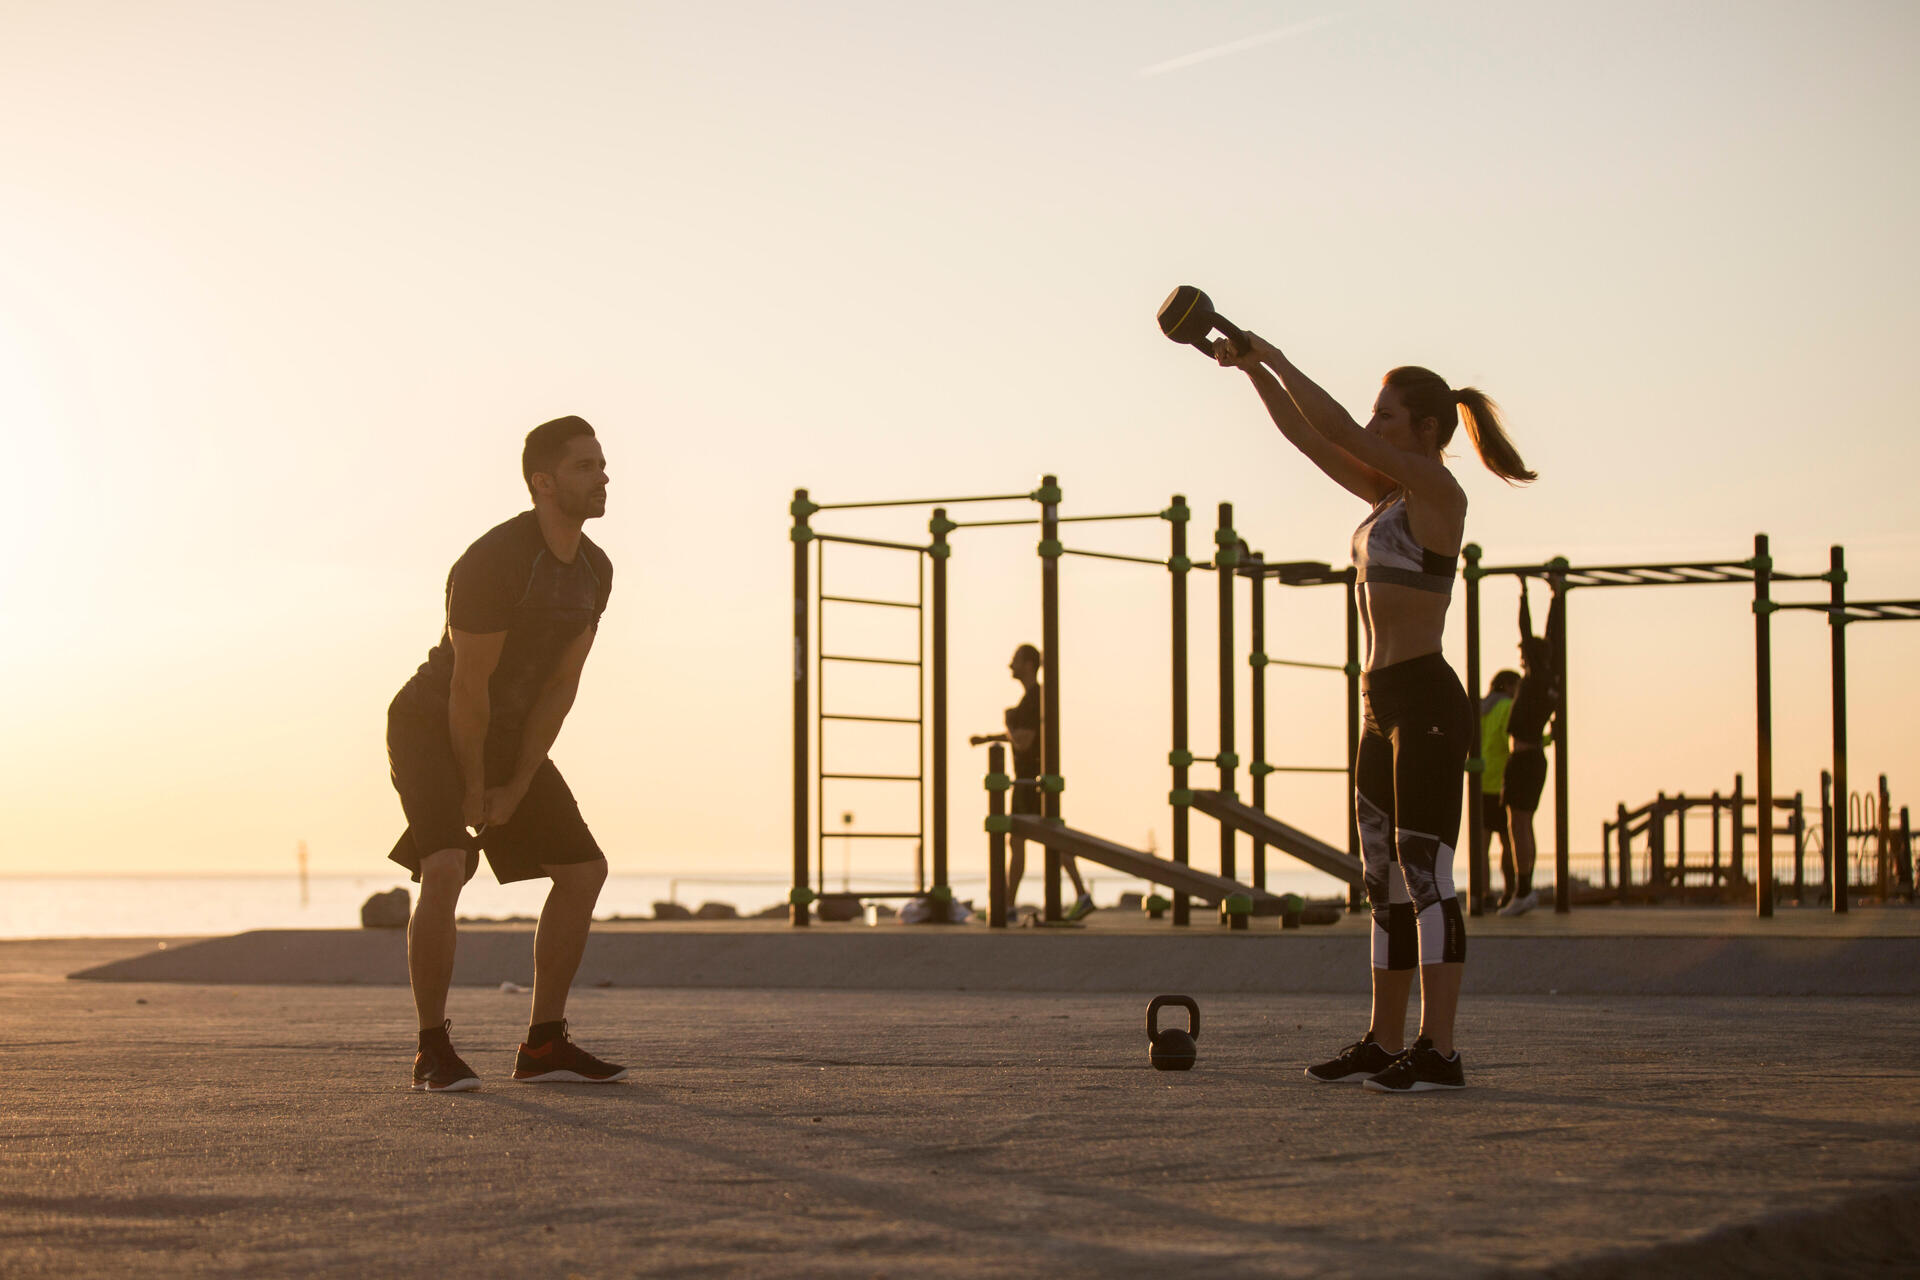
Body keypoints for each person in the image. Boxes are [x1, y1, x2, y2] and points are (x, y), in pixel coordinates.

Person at [1213, 335, 1533, 1094]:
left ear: (1427, 430)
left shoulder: (1438, 495)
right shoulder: (1387, 497)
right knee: (1382, 880)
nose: (1374, 425)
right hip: (1377, 705)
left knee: (1428, 876)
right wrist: (1250, 369)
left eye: (1388, 416)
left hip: (1425, 696)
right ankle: (1384, 1040)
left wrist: (1276, 353)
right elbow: (1306, 435)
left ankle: (1439, 1050)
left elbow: (1339, 432)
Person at [386, 415, 628, 1092]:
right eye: (586, 467)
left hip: (510, 729)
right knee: (445, 864)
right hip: (435, 723)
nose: (603, 476)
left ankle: (544, 1044)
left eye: (603, 464)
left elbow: (560, 684)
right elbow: (468, 689)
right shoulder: (495, 560)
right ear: (542, 484)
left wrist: (518, 781)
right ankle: (432, 1048)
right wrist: (472, 785)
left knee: (583, 870)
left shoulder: (594, 570)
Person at [968, 644, 1094, 922]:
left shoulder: (1033, 699)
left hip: (1029, 782)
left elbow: (1023, 741)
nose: (1009, 665)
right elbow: (1022, 734)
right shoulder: (1032, 699)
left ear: (1027, 664)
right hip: (1033, 781)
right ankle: (1077, 894)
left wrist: (1008, 721)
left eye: (1014, 660)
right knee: (1043, 839)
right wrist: (989, 738)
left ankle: (1009, 905)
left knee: (1029, 840)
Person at [1500, 584, 1562, 917]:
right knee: (1523, 825)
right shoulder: (1550, 678)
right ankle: (1525, 888)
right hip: (1532, 757)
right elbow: (1554, 635)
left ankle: (1523, 890)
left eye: (1524, 653)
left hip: (1524, 758)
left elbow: (1532, 631)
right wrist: (1554, 596)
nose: (1520, 657)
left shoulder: (1538, 678)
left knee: (1518, 825)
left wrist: (1523, 593)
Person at [1477, 670, 1520, 910]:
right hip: (1501, 782)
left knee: (1482, 846)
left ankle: (1483, 893)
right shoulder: (1506, 707)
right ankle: (1510, 891)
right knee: (1508, 841)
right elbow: (1510, 741)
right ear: (1509, 687)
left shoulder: (1481, 709)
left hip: (1480, 784)